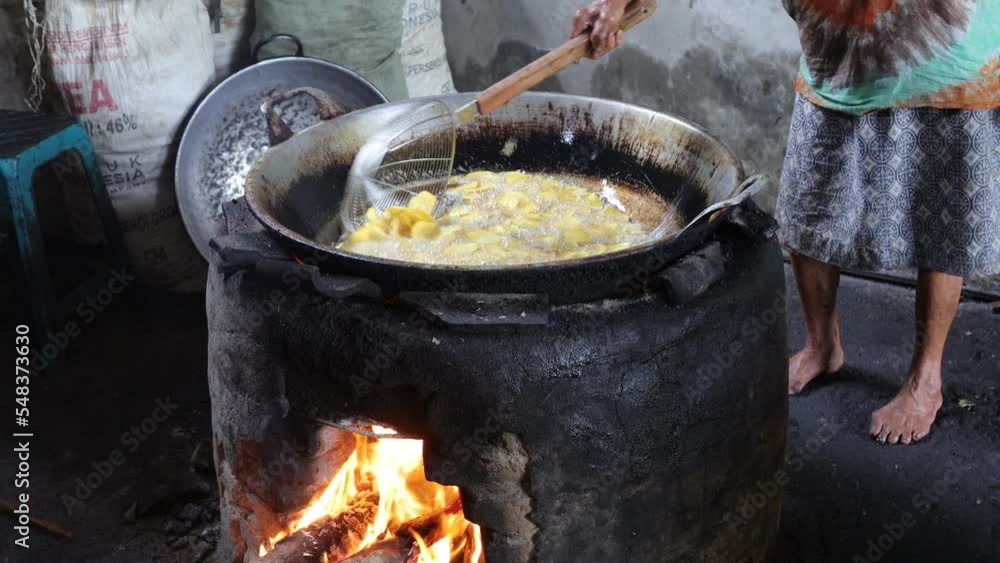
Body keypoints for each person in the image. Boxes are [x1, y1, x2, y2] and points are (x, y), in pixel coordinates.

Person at [571, 0, 1000, 444]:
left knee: (941, 222)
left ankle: (925, 380)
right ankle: (822, 346)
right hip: (837, 48)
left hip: (944, 47)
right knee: (806, 211)